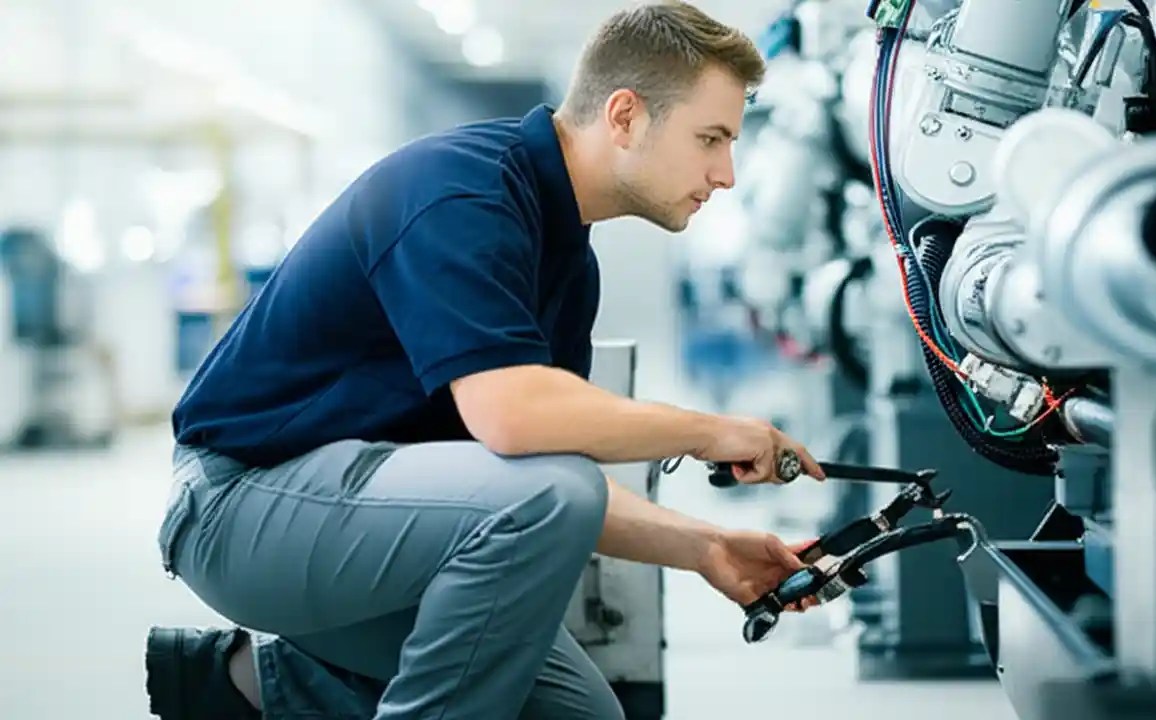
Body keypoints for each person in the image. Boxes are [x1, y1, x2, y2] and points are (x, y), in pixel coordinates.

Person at [145, 2, 828, 718]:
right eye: (710, 138)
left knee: (581, 715)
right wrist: (708, 431)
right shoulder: (463, 191)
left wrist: (707, 545)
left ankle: (251, 687)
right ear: (625, 117)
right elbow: (515, 429)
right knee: (554, 489)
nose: (726, 173)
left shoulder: (564, 258)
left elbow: (532, 492)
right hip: (239, 510)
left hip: (357, 528)